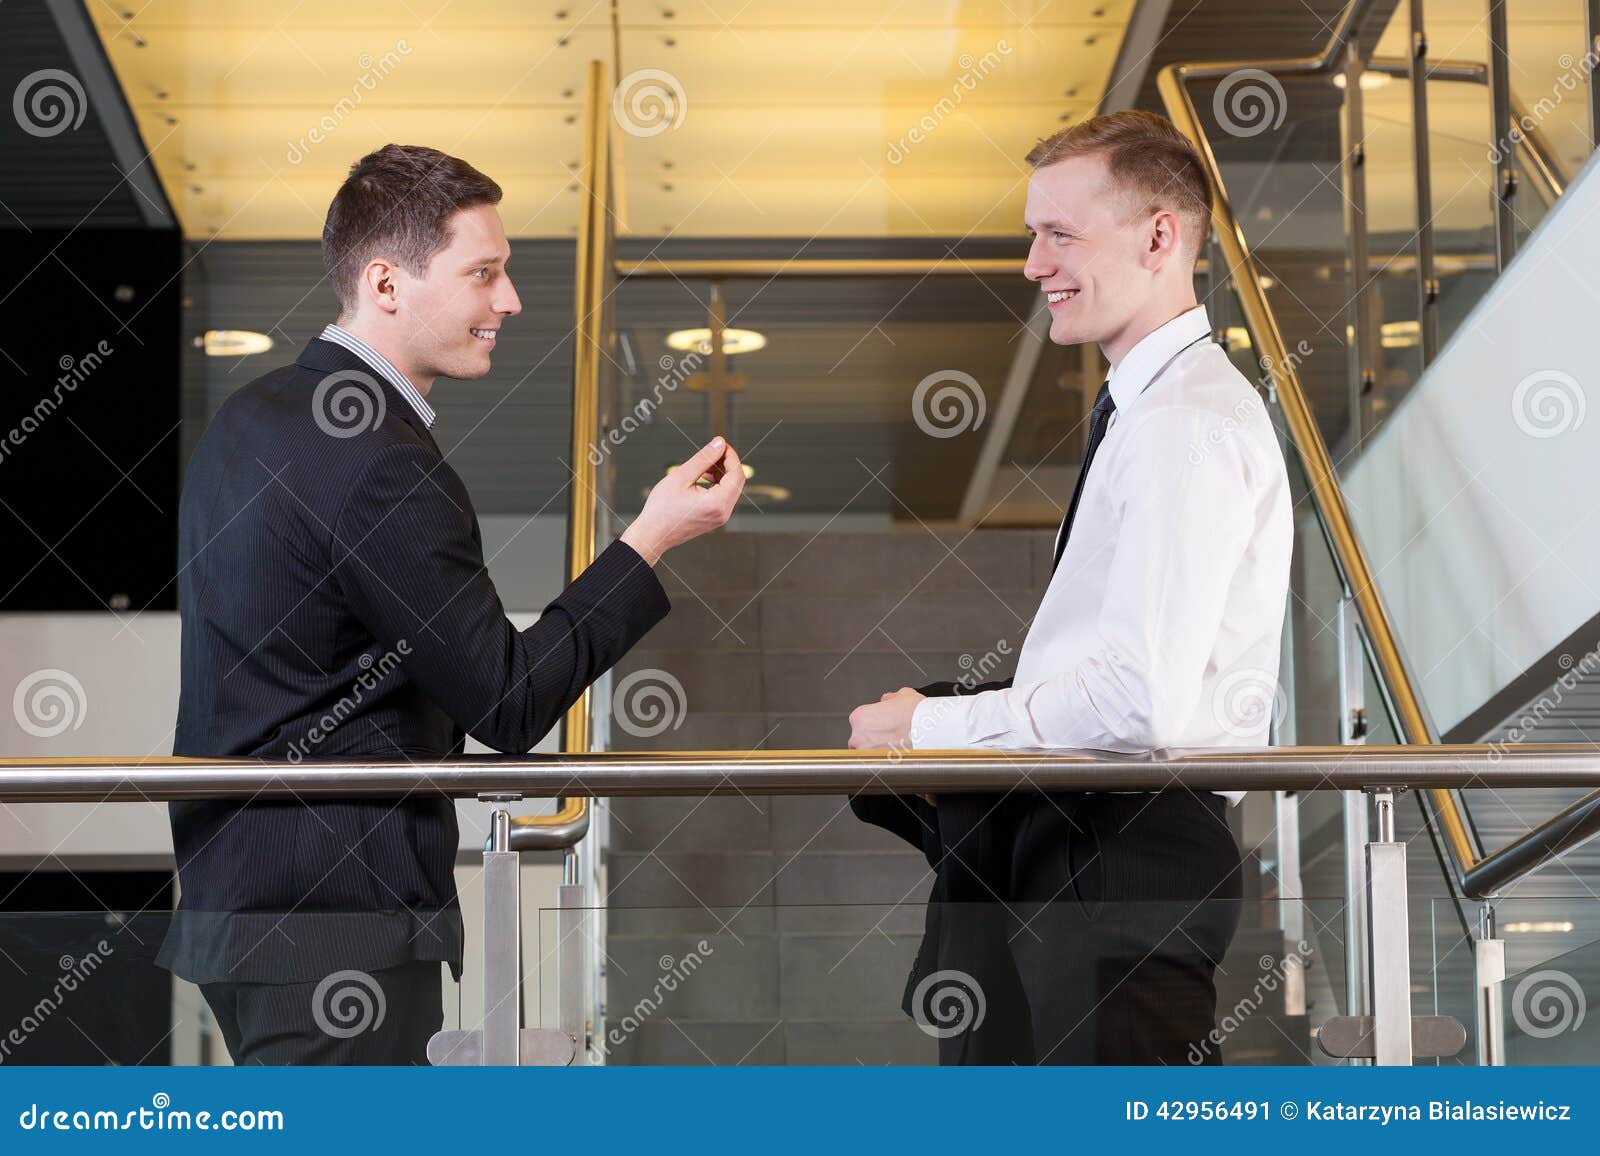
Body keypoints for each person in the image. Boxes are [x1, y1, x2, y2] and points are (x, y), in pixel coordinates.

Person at [159, 144, 744, 1064]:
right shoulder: (378, 459)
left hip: (240, 902)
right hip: (337, 925)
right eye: (485, 273)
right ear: (386, 284)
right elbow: (507, 700)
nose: (508, 301)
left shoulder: (251, 417)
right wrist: (650, 538)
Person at [845, 111, 1292, 1065]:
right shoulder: (1147, 417)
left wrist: (929, 728)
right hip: (1094, 853)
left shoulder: (1183, 424)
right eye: (1031, 236)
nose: (1032, 263)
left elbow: (1136, 702)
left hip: (1123, 852)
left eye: (1060, 234)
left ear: (1159, 236)